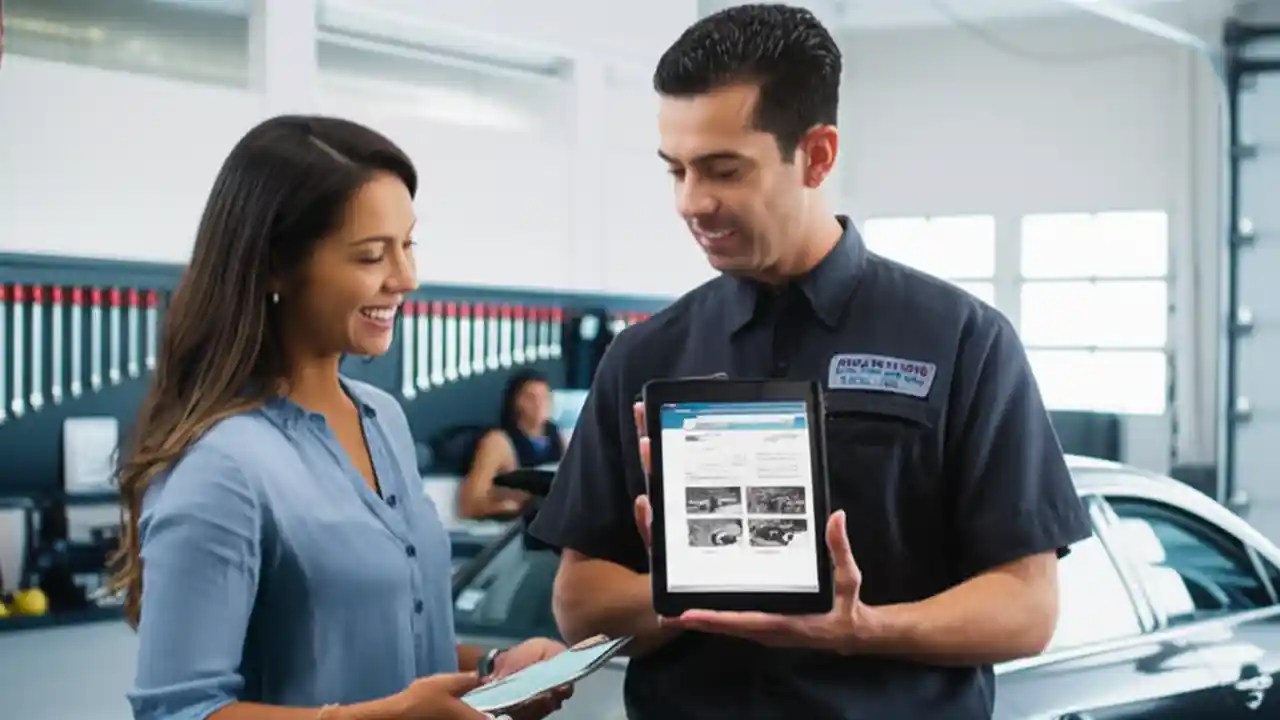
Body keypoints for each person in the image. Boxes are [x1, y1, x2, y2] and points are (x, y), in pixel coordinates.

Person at [527, 5, 1093, 719]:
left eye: (724, 170)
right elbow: (580, 605)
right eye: (676, 170)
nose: (691, 201)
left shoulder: (961, 342)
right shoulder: (645, 354)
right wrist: (693, 587)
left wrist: (864, 630)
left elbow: (1027, 606)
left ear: (817, 155)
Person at [109, 115, 571, 720]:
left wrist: (492, 672)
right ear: (276, 264)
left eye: (408, 245)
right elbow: (179, 712)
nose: (406, 278)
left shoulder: (383, 419)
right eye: (371, 255)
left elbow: (385, 654)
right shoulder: (221, 466)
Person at [458, 370, 565, 520]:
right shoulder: (498, 442)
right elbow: (470, 504)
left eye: (545, 397)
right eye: (531, 397)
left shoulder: (556, 437)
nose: (539, 404)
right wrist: (506, 506)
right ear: (516, 402)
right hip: (509, 526)